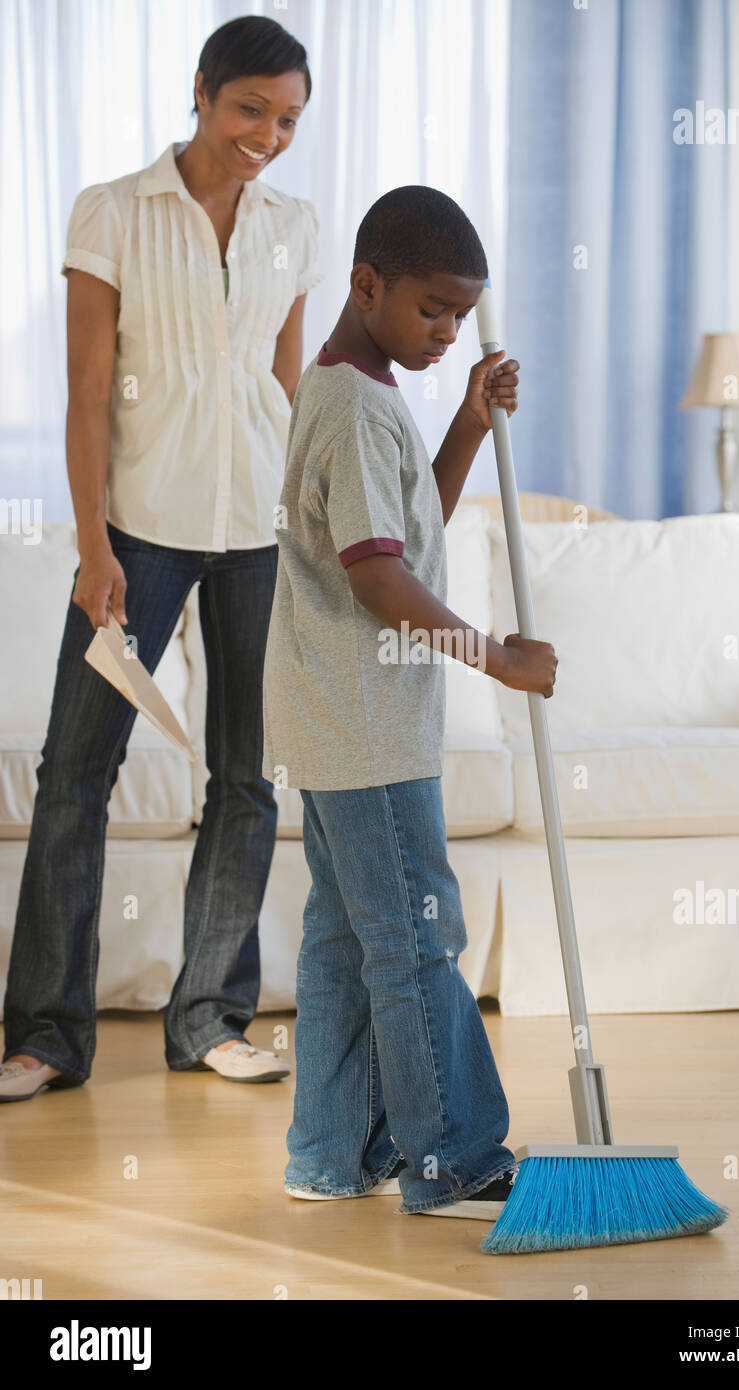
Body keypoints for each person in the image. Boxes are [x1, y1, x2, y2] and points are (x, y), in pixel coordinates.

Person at [0, 17, 323, 1102]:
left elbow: (282, 389)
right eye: (250, 111)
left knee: (245, 779)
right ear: (201, 91)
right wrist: (93, 545)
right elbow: (88, 392)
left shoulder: (294, 226)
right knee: (74, 778)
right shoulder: (114, 211)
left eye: (285, 120)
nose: (266, 137)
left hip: (256, 540)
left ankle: (211, 1020)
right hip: (137, 534)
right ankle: (46, 1034)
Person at [261, 185, 558, 1219]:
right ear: (366, 283)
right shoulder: (349, 405)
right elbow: (378, 577)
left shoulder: (353, 390)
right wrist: (497, 657)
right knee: (418, 937)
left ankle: (331, 1155)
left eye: (463, 316)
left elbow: (407, 524)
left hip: (339, 722)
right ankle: (456, 1159)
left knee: (346, 940)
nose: (448, 333)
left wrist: (469, 423)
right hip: (367, 725)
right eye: (432, 308)